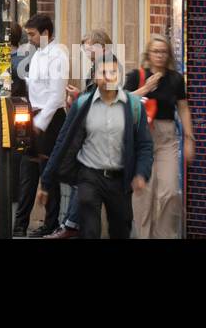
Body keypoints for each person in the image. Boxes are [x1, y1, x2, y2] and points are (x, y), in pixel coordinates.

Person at [37, 53, 153, 239]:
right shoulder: (83, 104)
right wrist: (46, 182)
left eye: (113, 72)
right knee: (90, 229)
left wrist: (141, 173)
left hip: (119, 179)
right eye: (103, 72)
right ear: (95, 76)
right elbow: (63, 142)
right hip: (89, 177)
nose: (108, 76)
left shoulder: (133, 106)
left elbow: (145, 145)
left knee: (121, 230)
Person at [43, 27, 112, 239]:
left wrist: (80, 99)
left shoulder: (107, 66)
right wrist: (79, 98)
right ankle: (71, 224)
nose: (85, 50)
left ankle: (70, 224)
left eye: (88, 46)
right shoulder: (96, 67)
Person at [124, 34, 194, 239]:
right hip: (141, 137)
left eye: (164, 52)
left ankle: (166, 235)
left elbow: (183, 108)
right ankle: (144, 235)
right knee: (144, 193)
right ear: (148, 54)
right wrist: (146, 89)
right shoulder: (136, 75)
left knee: (170, 191)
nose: (160, 55)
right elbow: (122, 101)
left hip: (166, 137)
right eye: (156, 51)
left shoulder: (175, 79)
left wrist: (189, 139)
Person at [18, 13, 68, 237]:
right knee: (27, 172)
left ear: (45, 33)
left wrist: (40, 123)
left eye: (32, 34)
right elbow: (37, 84)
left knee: (48, 174)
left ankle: (50, 224)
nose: (29, 38)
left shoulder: (59, 55)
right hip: (34, 116)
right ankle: (20, 223)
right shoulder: (38, 53)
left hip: (50, 120)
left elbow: (57, 96)